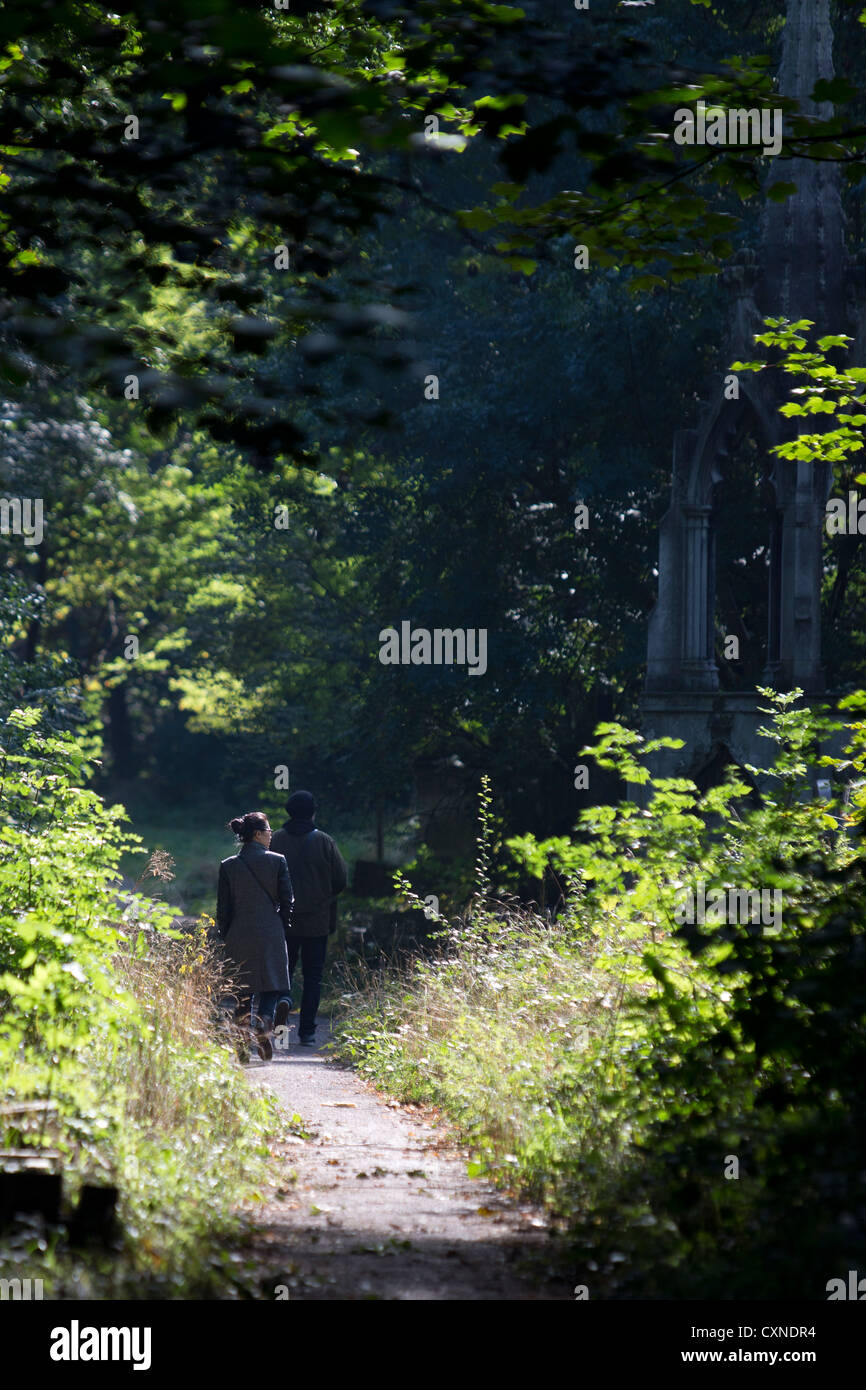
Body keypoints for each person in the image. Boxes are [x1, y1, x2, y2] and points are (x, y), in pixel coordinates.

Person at [270, 790, 348, 1047]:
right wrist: (321, 897)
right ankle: (308, 1032)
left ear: (289, 811)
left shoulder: (276, 840)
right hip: (317, 922)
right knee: (313, 976)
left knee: (284, 973)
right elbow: (341, 880)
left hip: (284, 922)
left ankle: (281, 1025)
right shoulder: (325, 841)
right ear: (313, 812)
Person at [216, 811, 294, 1061]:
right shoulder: (278, 861)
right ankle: (266, 1023)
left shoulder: (228, 866)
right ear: (258, 834)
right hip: (271, 930)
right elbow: (287, 900)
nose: (271, 835)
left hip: (239, 932)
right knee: (272, 985)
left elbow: (223, 908)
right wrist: (282, 925)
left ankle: (241, 1041)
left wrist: (226, 933)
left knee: (242, 991)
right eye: (269, 831)